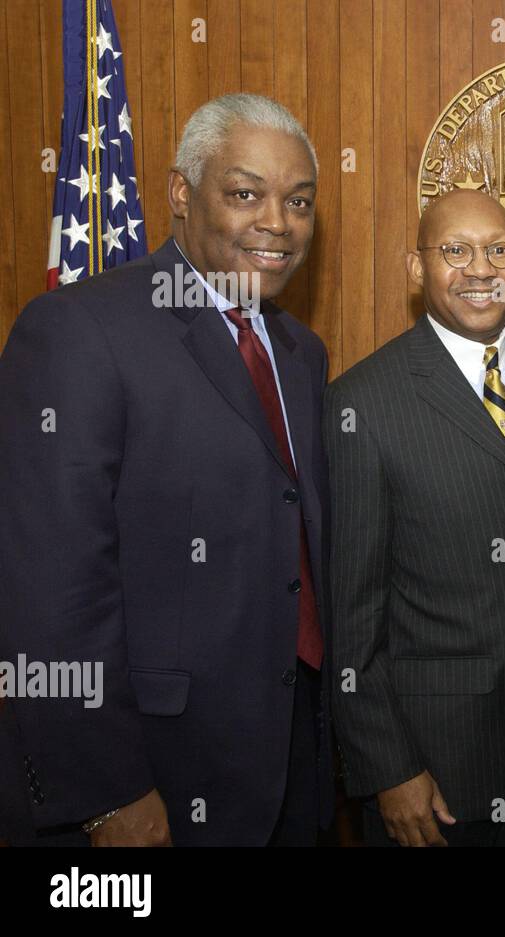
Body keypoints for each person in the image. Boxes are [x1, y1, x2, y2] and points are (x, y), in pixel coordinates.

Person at [0, 93, 331, 846]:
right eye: (245, 193)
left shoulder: (302, 353)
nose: (277, 222)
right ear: (182, 193)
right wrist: (106, 791)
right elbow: (48, 593)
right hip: (148, 781)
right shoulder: (80, 330)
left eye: (299, 200)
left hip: (287, 773)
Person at [327, 188, 505, 847]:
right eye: (456, 251)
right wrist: (390, 768)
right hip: (437, 775)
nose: (481, 269)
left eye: (499, 250)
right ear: (417, 270)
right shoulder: (364, 402)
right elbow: (351, 615)